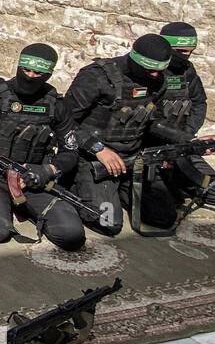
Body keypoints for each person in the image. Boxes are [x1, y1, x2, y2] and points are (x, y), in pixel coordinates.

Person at [0, 44, 85, 250]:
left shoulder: (57, 106)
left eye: (38, 72)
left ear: (48, 74)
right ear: (18, 66)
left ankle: (26, 208)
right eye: (26, 69)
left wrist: (49, 170)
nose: (29, 76)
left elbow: (70, 151)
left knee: (71, 234)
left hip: (33, 178)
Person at [65, 33, 188, 235]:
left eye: (160, 71)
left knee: (164, 217)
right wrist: (98, 149)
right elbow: (65, 121)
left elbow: (153, 122)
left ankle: (116, 191)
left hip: (132, 160)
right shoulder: (97, 76)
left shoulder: (159, 80)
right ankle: (75, 185)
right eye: (149, 70)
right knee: (107, 223)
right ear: (134, 59)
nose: (155, 76)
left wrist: (185, 140)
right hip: (95, 158)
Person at [155, 22, 215, 210]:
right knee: (160, 205)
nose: (186, 56)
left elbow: (199, 103)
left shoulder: (187, 71)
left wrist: (188, 137)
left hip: (180, 145)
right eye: (181, 51)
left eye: (190, 51)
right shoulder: (151, 70)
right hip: (151, 145)